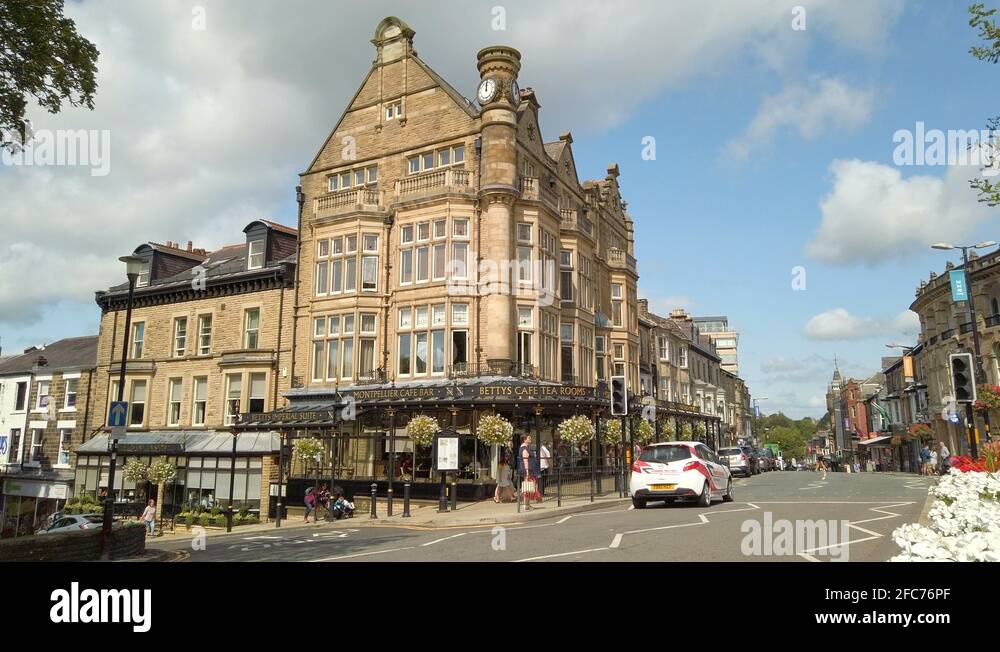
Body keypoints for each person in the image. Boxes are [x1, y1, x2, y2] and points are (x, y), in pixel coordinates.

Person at [518, 434, 541, 508]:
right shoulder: (524, 448)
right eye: (529, 438)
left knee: (529, 486)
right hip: (527, 470)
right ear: (524, 439)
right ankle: (525, 504)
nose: (530, 439)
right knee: (527, 487)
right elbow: (525, 461)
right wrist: (527, 471)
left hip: (529, 470)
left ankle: (527, 504)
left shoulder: (526, 448)